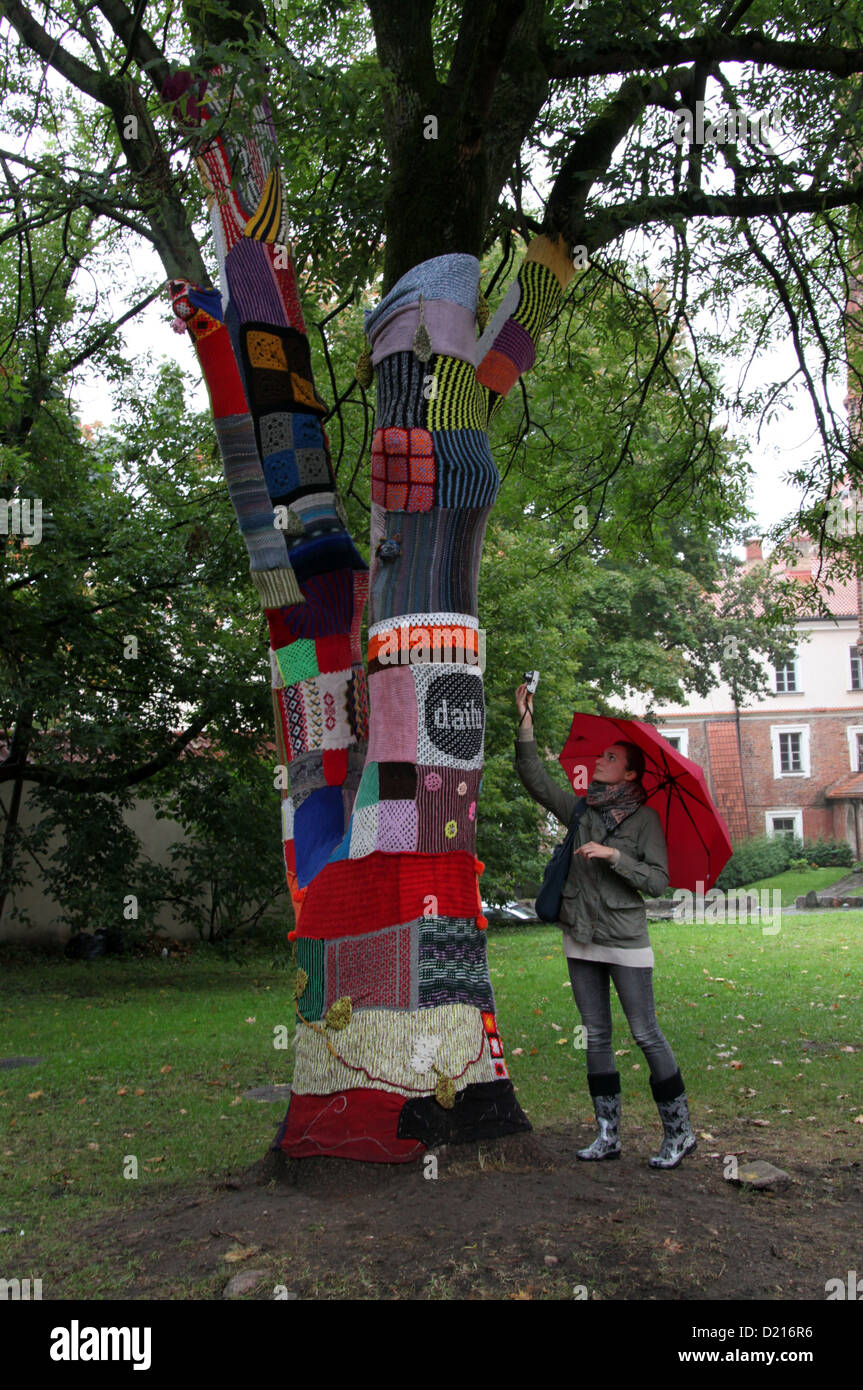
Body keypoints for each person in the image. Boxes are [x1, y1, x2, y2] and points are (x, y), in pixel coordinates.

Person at [513, 683, 696, 1169]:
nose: (599, 761)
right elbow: (534, 779)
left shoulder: (645, 822)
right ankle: (607, 1134)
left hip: (625, 939)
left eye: (610, 758)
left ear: (631, 772)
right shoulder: (579, 809)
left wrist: (614, 855)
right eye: (601, 756)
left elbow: (658, 882)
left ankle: (680, 1132)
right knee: (595, 1034)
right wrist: (525, 721)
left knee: (645, 1033)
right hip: (580, 934)